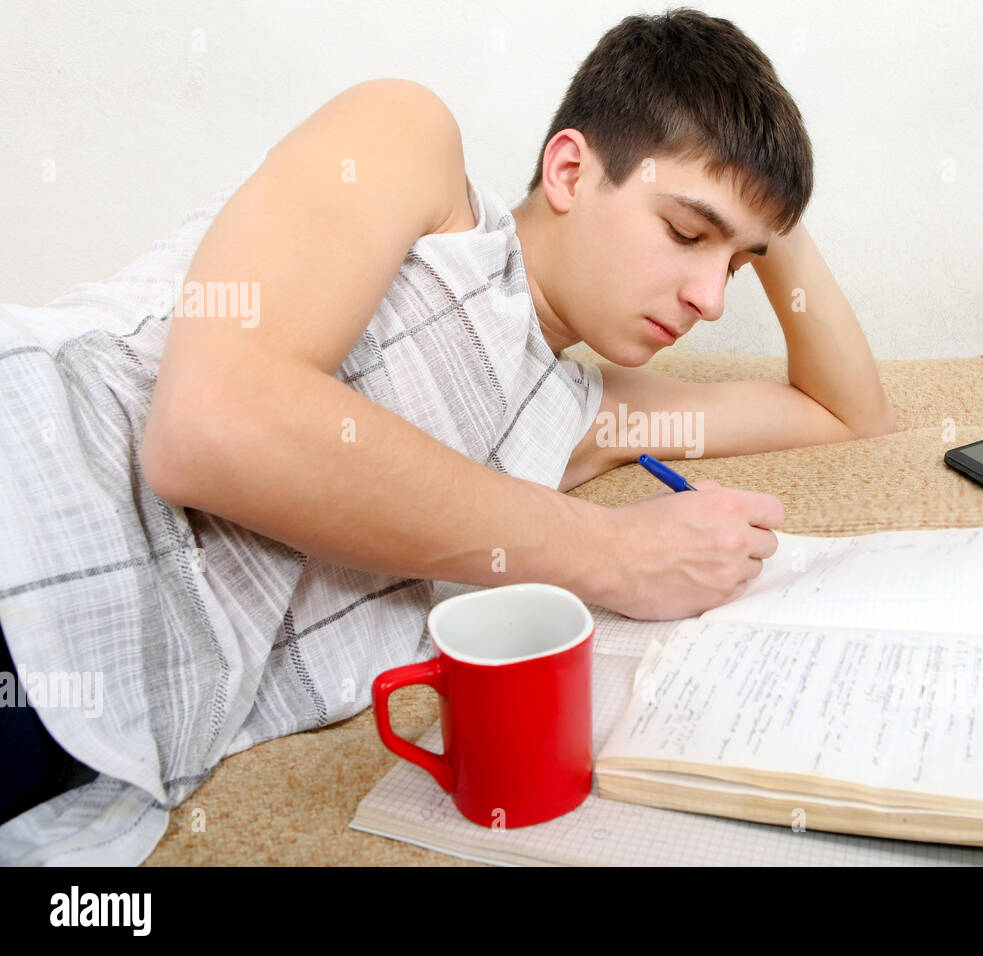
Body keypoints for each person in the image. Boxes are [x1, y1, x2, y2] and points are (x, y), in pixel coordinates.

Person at [0, 7, 895, 863]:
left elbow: (849, 414)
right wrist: (611, 553)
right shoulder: (412, 147)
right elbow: (211, 424)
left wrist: (766, 212)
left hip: (87, 731)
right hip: (33, 497)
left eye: (740, 264)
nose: (712, 297)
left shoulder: (584, 414)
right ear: (572, 173)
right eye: (686, 231)